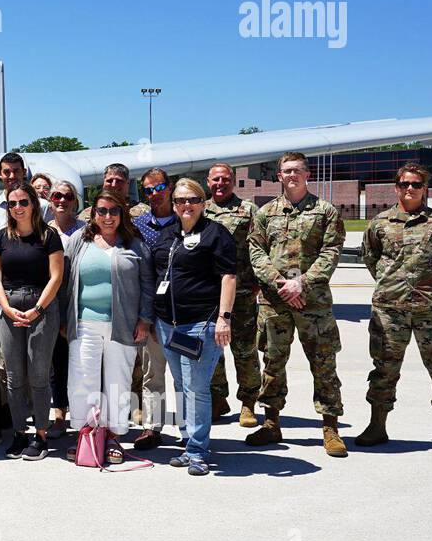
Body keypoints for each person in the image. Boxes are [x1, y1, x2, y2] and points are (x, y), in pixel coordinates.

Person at [357, 163, 432, 457]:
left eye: (416, 185)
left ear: (425, 189)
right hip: (389, 311)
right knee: (384, 370)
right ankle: (377, 427)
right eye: (405, 184)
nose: (410, 189)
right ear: (396, 187)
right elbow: (371, 259)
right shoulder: (380, 223)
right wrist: (393, 286)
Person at [247, 152, 348, 456]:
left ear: (308, 174)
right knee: (273, 363)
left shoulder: (325, 211)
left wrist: (301, 282)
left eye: (297, 171)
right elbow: (255, 252)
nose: (291, 176)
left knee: (323, 363)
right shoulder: (265, 213)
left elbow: (331, 252)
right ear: (278, 176)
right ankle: (271, 422)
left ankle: (330, 427)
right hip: (274, 302)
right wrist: (281, 282)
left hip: (312, 302)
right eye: (286, 171)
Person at [149, 179, 237, 475]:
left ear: (203, 202)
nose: (186, 205)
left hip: (199, 323)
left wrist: (223, 318)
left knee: (196, 388)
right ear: (173, 204)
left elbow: (228, 277)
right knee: (180, 384)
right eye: (180, 201)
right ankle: (188, 441)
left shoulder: (215, 234)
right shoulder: (168, 235)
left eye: (192, 200)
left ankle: (198, 451)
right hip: (167, 324)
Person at [62, 190, 153, 464]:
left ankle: (113, 436)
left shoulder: (134, 243)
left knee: (118, 382)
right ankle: (86, 434)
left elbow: (148, 284)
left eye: (114, 211)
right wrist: (63, 320)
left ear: (122, 213)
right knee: (82, 381)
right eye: (102, 211)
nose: (108, 216)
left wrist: (144, 319)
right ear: (93, 213)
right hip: (83, 323)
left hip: (122, 325)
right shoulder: (80, 240)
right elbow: (64, 280)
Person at [0, 182, 65, 461]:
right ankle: (20, 432)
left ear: (33, 204)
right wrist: (7, 308)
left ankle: (41, 435)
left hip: (41, 305)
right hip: (8, 306)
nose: (18, 208)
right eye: (12, 203)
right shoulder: (0, 236)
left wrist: (37, 309)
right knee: (14, 375)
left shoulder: (49, 236)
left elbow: (56, 277)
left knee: (39, 375)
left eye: (23, 202)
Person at [203, 162, 263, 426]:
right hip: (208, 292)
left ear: (233, 181)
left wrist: (259, 281)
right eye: (216, 179)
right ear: (208, 181)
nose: (220, 183)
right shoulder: (200, 210)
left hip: (242, 292)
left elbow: (261, 247)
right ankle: (218, 398)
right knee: (211, 350)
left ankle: (248, 402)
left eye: (225, 179)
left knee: (245, 349)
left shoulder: (248, 210)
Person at [130, 168, 179, 450]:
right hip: (150, 310)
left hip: (183, 311)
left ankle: (188, 427)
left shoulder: (186, 220)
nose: (154, 194)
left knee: (185, 376)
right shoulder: (138, 225)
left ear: (169, 187)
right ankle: (152, 427)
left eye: (158, 188)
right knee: (152, 373)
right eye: (147, 190)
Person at [46, 182, 84, 434]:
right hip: (52, 305)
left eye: (67, 196)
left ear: (75, 201)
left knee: (84, 365)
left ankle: (84, 416)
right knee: (57, 364)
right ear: (49, 200)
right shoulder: (43, 231)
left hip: (82, 305)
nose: (62, 200)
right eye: (57, 196)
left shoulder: (87, 230)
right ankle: (59, 414)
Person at [0, 152, 46, 229]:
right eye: (7, 172)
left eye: (16, 171)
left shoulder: (43, 206)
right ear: (0, 174)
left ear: (24, 172)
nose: (12, 176)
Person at [78, 163, 150, 222]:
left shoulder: (145, 212)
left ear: (128, 183)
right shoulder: (87, 215)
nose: (113, 185)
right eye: (109, 181)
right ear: (104, 183)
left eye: (119, 181)